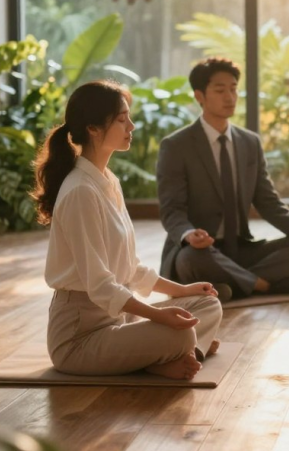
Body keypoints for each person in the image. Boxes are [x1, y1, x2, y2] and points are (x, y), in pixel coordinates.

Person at [35, 80, 223, 379]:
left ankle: (173, 355)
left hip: (121, 320)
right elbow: (99, 285)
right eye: (122, 120)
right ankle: (180, 351)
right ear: (94, 129)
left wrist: (181, 290)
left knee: (207, 304)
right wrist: (159, 315)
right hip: (79, 339)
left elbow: (129, 267)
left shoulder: (107, 179)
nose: (131, 126)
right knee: (183, 333)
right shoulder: (80, 191)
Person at [157, 57, 289, 300]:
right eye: (220, 90)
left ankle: (230, 286)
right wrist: (189, 235)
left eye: (234, 89)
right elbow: (172, 210)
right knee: (192, 259)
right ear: (199, 96)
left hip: (240, 250)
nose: (230, 97)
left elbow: (268, 201)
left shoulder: (249, 142)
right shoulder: (176, 146)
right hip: (200, 251)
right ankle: (264, 285)